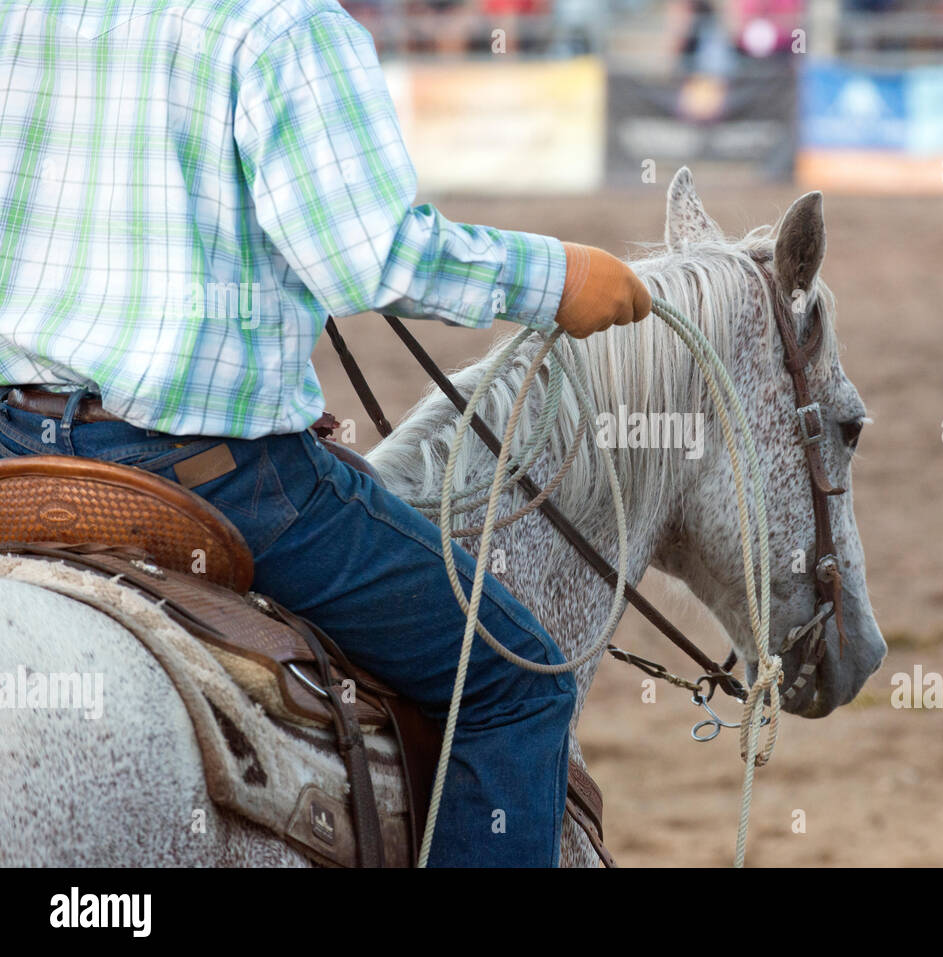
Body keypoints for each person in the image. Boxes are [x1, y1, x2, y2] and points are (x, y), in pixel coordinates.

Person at [0, 0, 650, 867]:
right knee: (513, 680)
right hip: (210, 475)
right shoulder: (284, 24)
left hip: (19, 447)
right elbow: (363, 255)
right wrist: (556, 276)